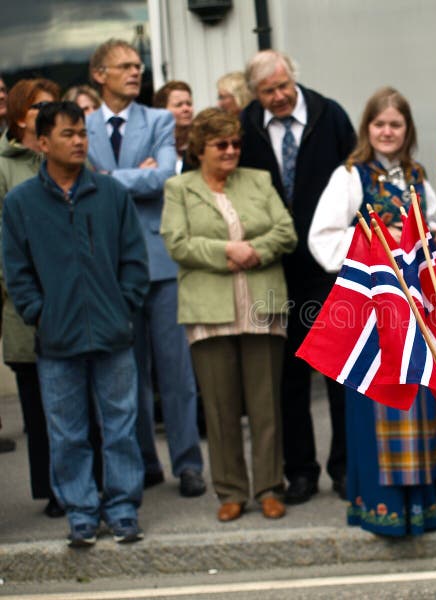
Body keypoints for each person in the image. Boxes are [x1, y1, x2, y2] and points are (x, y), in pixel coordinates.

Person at [309, 86, 436, 535]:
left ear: (406, 130)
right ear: (367, 128)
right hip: (373, 310)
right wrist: (373, 249)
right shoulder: (349, 176)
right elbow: (323, 237)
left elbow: (431, 223)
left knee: (431, 395)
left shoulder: (415, 174)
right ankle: (395, 507)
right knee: (387, 396)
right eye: (379, 124)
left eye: (396, 124)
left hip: (419, 304)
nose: (387, 132)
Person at [2, 101, 150, 547]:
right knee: (67, 432)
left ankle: (123, 509)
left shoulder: (111, 194)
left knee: (121, 426)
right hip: (57, 338)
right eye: (68, 134)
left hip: (113, 334)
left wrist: (123, 307)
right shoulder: (20, 202)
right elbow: (16, 270)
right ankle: (82, 513)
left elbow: (134, 261)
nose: (80, 141)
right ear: (43, 143)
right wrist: (39, 315)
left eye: (83, 133)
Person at [161, 108, 297, 522]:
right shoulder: (179, 188)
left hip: (261, 305)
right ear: (200, 148)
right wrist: (226, 251)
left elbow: (286, 231)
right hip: (208, 310)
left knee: (265, 405)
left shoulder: (258, 180)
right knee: (220, 408)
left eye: (236, 143)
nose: (231, 150)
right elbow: (177, 243)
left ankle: (270, 487)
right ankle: (231, 490)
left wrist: (256, 250)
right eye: (222, 144)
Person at [86, 39, 205, 498]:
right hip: (109, 266)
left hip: (159, 262)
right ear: (100, 74)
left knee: (176, 373)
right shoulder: (85, 126)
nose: (136, 72)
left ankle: (188, 464)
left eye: (139, 65)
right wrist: (137, 176)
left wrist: (110, 179)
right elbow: (85, 185)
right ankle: (143, 464)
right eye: (125, 66)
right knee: (125, 376)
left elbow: (163, 178)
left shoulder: (159, 119)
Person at [239, 49, 356, 505]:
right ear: (255, 94)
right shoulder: (248, 125)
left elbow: (355, 176)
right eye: (268, 92)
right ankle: (300, 472)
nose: (278, 97)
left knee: (339, 370)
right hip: (273, 268)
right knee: (287, 377)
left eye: (283, 87)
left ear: (294, 79)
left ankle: (345, 468)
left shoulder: (330, 116)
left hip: (327, 267)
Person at [0, 78, 68, 516]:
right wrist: (27, 296)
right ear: (22, 116)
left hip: (74, 301)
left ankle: (84, 481)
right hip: (27, 303)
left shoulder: (68, 158)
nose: (52, 112)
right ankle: (54, 489)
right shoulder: (5, 166)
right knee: (39, 404)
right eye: (42, 106)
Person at [153, 80, 195, 174]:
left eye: (189, 104)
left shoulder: (199, 143)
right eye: (178, 105)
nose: (186, 109)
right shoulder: (152, 147)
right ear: (162, 110)